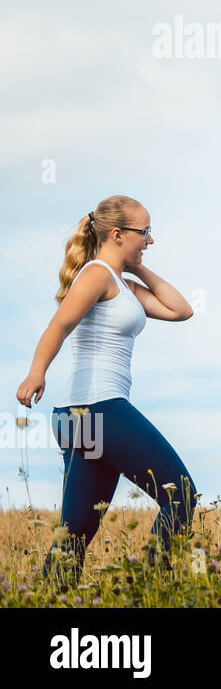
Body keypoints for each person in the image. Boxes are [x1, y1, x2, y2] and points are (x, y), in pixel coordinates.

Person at [15, 195, 198, 581]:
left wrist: (139, 268)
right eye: (144, 232)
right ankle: (149, 588)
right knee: (180, 493)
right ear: (117, 234)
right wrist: (36, 372)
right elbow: (59, 325)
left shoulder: (123, 284)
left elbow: (181, 310)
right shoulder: (96, 274)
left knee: (76, 531)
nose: (150, 240)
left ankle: (49, 597)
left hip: (78, 416)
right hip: (98, 408)